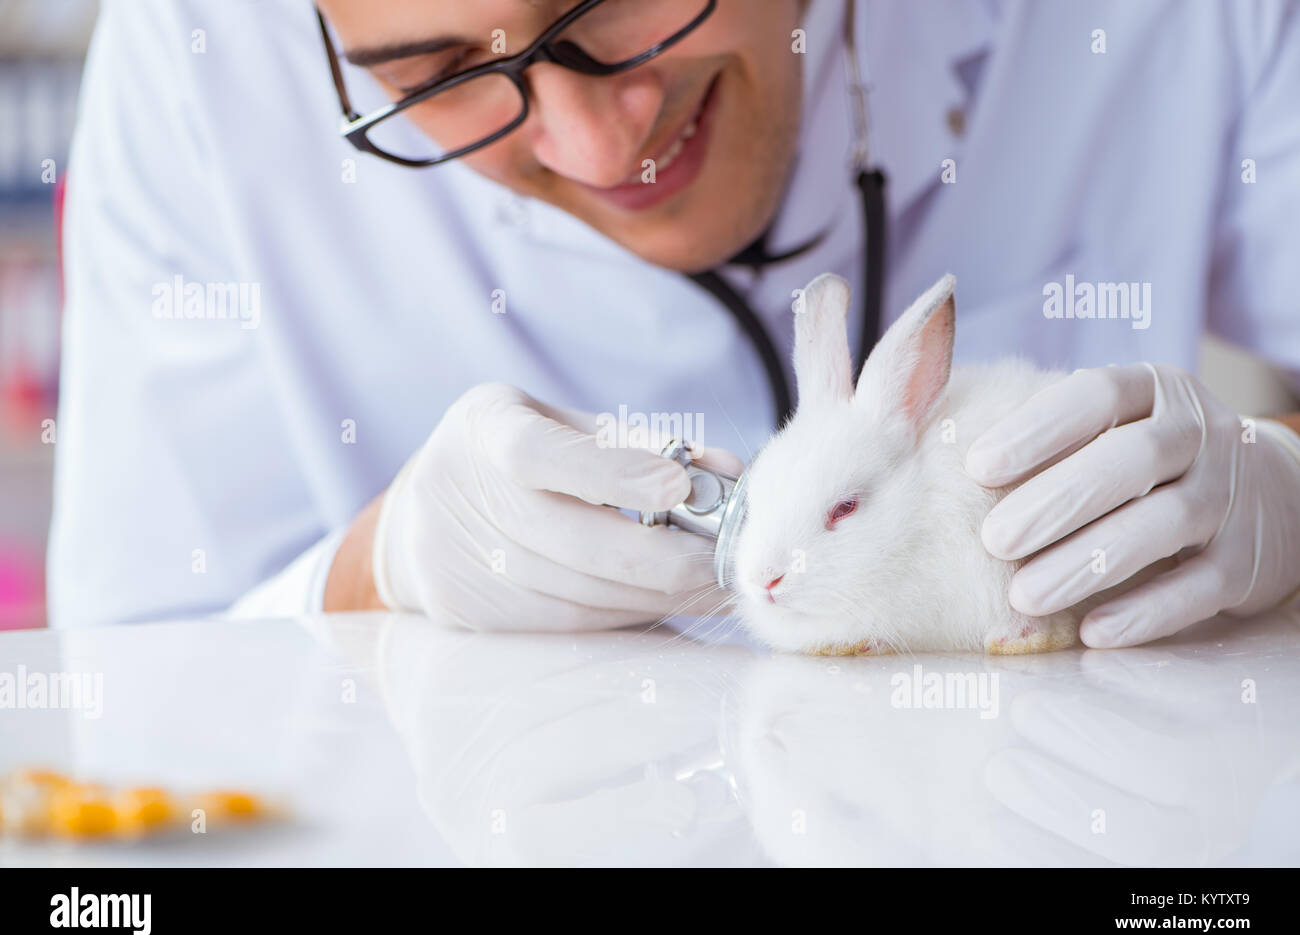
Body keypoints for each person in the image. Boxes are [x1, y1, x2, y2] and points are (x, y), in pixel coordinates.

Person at [50, 0, 1300, 648]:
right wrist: (377, 573)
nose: (601, 141)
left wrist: (1282, 492)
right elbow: (139, 699)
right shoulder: (198, 58)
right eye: (432, 73)